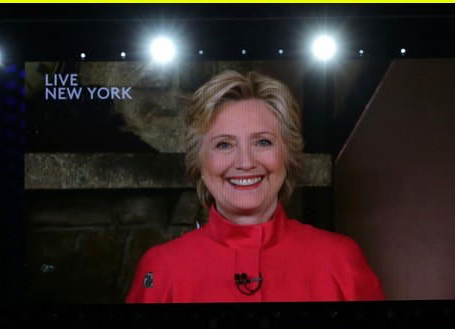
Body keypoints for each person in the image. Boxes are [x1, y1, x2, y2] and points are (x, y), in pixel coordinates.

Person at [126, 70, 384, 304]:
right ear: (199, 161)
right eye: (224, 145)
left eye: (262, 142)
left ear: (288, 154)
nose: (245, 163)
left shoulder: (341, 260)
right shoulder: (159, 268)